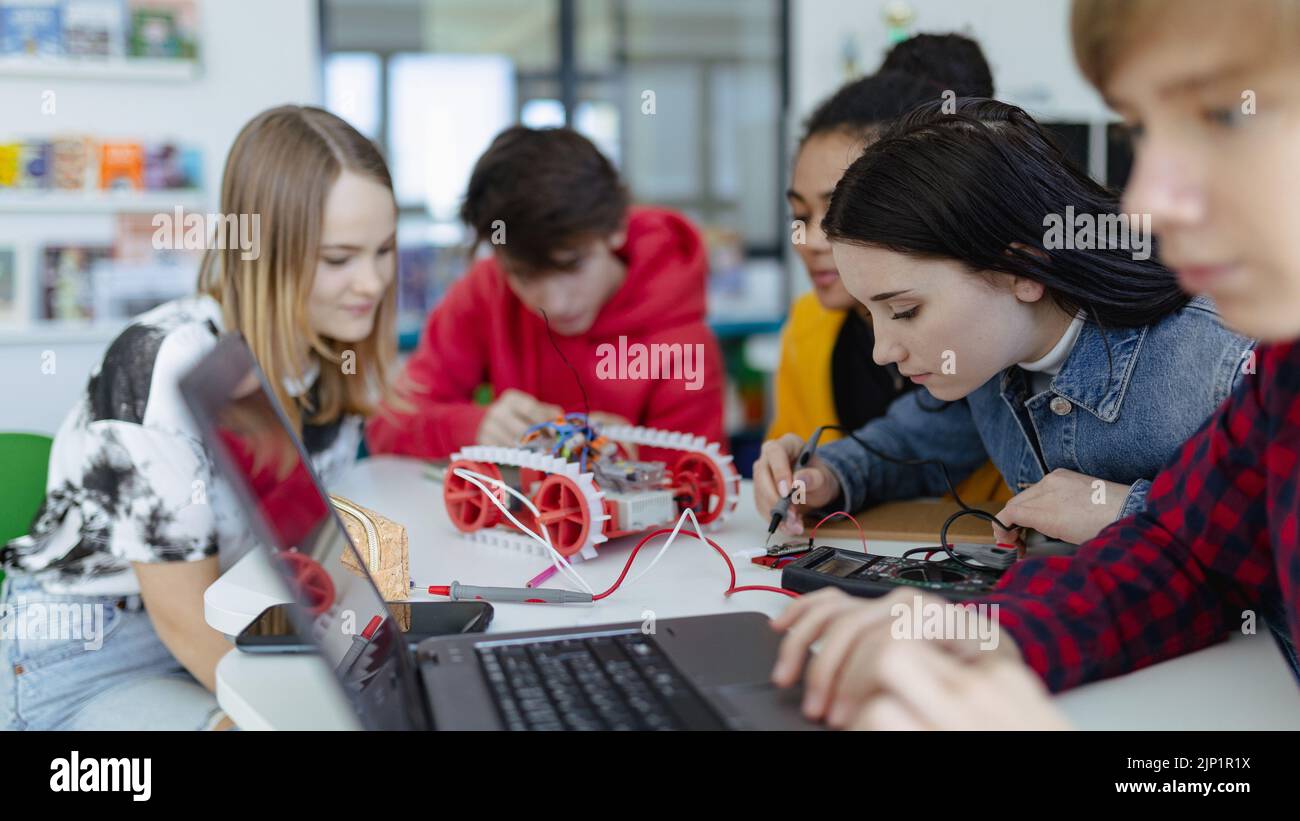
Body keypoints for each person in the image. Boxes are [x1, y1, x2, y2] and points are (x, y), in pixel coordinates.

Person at [771, 0, 1300, 730]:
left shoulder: (1224, 356)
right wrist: (981, 636)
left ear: (1023, 268)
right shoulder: (1283, 371)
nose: (1146, 202)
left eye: (1224, 117)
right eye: (1142, 131)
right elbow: (1186, 558)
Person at [0, 106, 402, 730]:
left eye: (384, 250)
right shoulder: (163, 361)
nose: (373, 282)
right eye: (339, 258)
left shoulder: (328, 355)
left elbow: (301, 552)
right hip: (83, 659)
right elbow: (183, 618)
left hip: (234, 631)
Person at [755, 97, 1251, 546]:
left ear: (1022, 270)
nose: (882, 350)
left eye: (906, 311)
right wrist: (827, 476)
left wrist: (1126, 512)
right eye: (871, 313)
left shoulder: (1221, 359)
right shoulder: (987, 365)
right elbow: (913, 442)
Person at [366, 126, 724, 464]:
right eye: (523, 276)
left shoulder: (684, 343)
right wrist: (474, 427)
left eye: (572, 266)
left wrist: (637, 462)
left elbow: (700, 493)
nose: (553, 304)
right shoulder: (485, 291)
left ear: (615, 227)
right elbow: (386, 426)